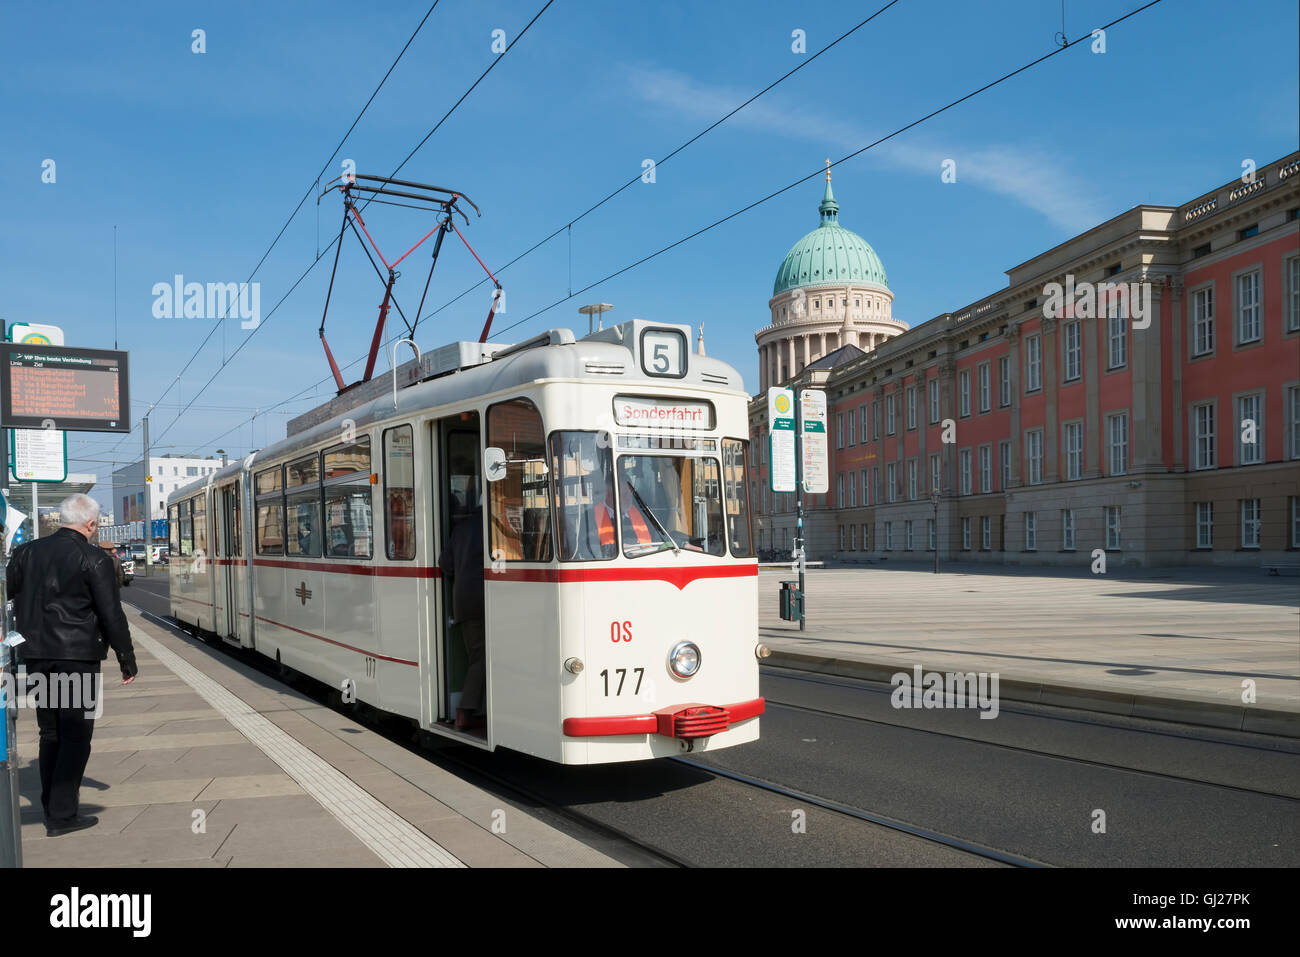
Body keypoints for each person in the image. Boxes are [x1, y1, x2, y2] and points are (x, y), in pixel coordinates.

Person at [6, 494, 138, 837]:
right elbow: (111, 613)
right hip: (76, 658)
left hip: (35, 656)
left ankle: (52, 804)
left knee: (50, 732)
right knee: (77, 736)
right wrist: (127, 659)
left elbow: (12, 597)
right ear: (91, 524)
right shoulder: (94, 558)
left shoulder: (24, 553)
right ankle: (62, 816)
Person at [438, 471, 485, 731]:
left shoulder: (462, 528)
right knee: (482, 657)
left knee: (477, 654)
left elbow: (444, 564)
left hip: (464, 602)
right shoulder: (497, 526)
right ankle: (465, 712)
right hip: (488, 600)